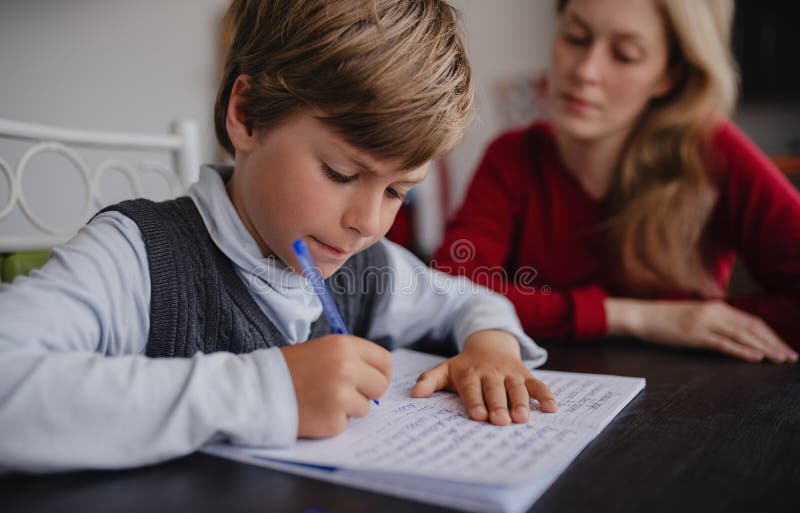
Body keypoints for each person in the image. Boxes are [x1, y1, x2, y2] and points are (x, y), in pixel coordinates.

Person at [0, 0, 558, 474]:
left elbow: (471, 300)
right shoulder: (141, 256)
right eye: (341, 174)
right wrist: (268, 392)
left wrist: (492, 350)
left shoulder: (367, 265)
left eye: (398, 193)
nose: (369, 222)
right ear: (245, 115)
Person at [434, 0, 800, 363]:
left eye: (625, 55)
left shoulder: (711, 152)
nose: (585, 71)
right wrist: (640, 317)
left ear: (669, 76)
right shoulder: (512, 156)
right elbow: (448, 291)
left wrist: (712, 320)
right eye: (576, 37)